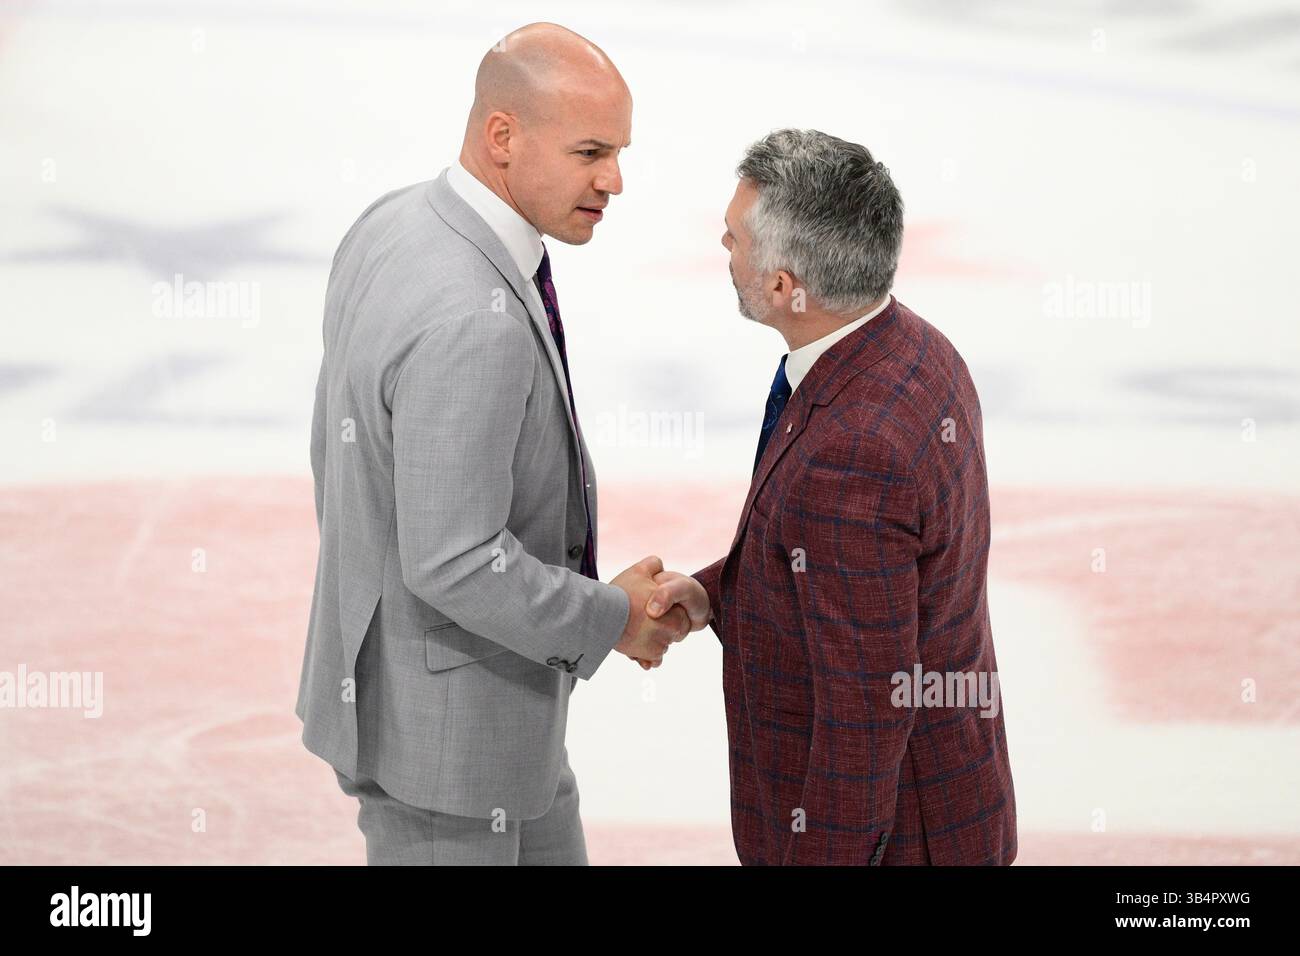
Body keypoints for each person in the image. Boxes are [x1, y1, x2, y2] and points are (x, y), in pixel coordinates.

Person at [295, 22, 709, 866]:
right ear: (502, 136)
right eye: (591, 151)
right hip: (446, 753)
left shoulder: (395, 222)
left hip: (489, 716)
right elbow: (452, 559)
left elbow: (342, 454)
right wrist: (611, 617)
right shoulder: (469, 318)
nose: (615, 180)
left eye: (621, 152)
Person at [682, 129, 1018, 865]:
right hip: (948, 804)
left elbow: (864, 715)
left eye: (735, 238)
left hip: (890, 840)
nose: (723, 246)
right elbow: (847, 572)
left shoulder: (853, 455)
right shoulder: (918, 348)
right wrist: (712, 592)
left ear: (783, 285)